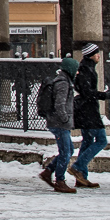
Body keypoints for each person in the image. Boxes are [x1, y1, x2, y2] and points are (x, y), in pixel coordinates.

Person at [70, 43, 110, 188]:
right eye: (96, 53)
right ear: (91, 55)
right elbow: (87, 93)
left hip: (86, 111)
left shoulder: (85, 68)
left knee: (88, 141)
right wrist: (105, 95)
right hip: (89, 112)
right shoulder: (86, 70)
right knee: (101, 140)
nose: (99, 56)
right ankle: (78, 166)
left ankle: (81, 177)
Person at [39, 56, 79, 193]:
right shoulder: (63, 82)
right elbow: (60, 104)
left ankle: (48, 171)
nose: (77, 72)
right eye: (76, 69)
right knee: (66, 152)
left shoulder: (64, 80)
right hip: (59, 123)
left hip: (58, 122)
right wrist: (65, 119)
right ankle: (60, 180)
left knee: (68, 151)